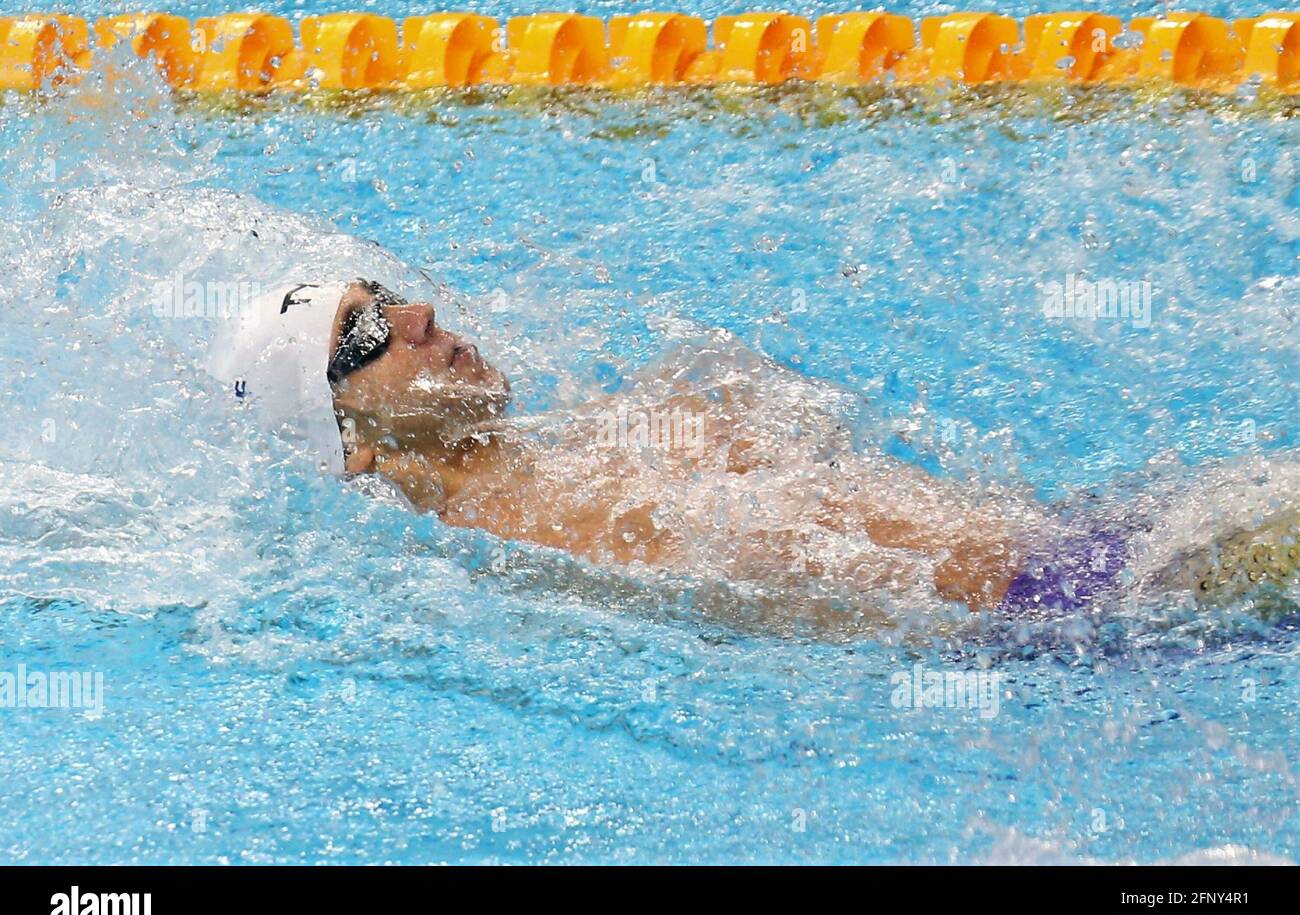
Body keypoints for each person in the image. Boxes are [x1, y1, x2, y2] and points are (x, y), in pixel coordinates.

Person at [208, 278, 1295, 618]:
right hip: (1096, 605)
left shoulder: (558, 456)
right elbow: (825, 585)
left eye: (388, 294)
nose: (416, 316)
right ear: (347, 444)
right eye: (363, 334)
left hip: (1089, 551)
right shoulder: (524, 528)